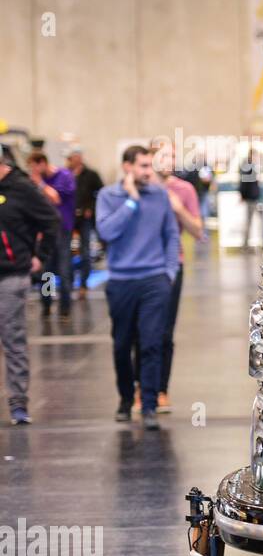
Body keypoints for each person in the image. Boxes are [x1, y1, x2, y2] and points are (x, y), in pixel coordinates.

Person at [96, 145, 178, 431]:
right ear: (127, 167)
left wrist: (168, 274)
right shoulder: (108, 197)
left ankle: (150, 404)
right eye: (143, 166)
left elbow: (171, 236)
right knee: (121, 344)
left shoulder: (160, 196)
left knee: (152, 343)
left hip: (154, 280)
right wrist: (130, 202)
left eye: (149, 166)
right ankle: (125, 399)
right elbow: (106, 232)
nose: (148, 172)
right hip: (120, 281)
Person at [0, 148, 59, 425]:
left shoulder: (21, 188)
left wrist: (39, 257)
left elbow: (51, 221)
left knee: (12, 339)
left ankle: (18, 402)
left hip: (11, 276)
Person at [147, 141, 203, 413]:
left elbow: (197, 231)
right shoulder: (140, 187)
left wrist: (178, 208)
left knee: (165, 331)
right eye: (163, 155)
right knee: (140, 330)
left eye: (173, 155)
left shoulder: (184, 189)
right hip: (142, 267)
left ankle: (160, 390)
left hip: (171, 266)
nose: (170, 160)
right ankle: (140, 387)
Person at [27, 151, 76, 319]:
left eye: (34, 166)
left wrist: (40, 183)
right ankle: (46, 304)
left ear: (42, 163)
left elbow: (56, 198)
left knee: (63, 269)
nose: (33, 171)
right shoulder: (36, 181)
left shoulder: (64, 176)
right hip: (45, 232)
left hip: (62, 230)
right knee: (46, 271)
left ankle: (65, 308)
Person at [67, 147, 103, 298]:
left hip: (85, 219)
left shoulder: (91, 175)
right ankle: (67, 283)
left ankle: (83, 283)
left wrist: (91, 208)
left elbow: (101, 193)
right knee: (65, 251)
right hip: (69, 218)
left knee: (85, 251)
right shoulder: (66, 174)